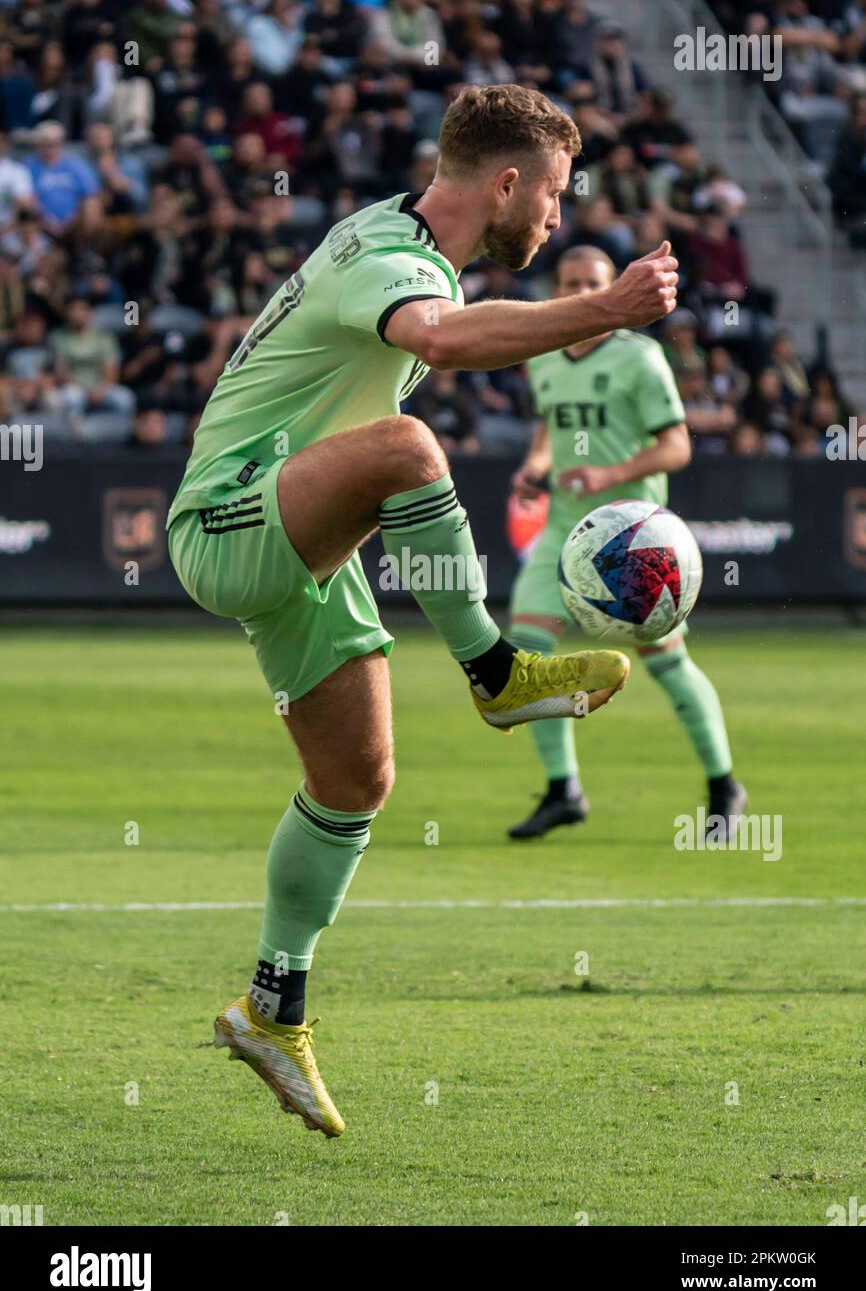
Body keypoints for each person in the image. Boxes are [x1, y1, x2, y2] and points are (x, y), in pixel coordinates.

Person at [166, 83, 677, 1138]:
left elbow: (437, 333)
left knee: (354, 779)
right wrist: (603, 308)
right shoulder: (386, 257)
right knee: (405, 445)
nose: (552, 219)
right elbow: (437, 342)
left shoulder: (400, 245)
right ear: (506, 183)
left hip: (297, 526)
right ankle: (494, 673)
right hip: (225, 517)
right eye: (553, 196)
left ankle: (272, 1008)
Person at [507, 244, 747, 839]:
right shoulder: (543, 354)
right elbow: (550, 424)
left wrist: (608, 476)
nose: (579, 291)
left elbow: (678, 446)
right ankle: (564, 789)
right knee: (529, 654)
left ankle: (723, 784)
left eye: (592, 282)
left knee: (667, 665)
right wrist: (536, 464)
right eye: (569, 281)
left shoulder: (641, 359)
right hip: (565, 531)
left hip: (633, 538)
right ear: (554, 289)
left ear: (612, 290)